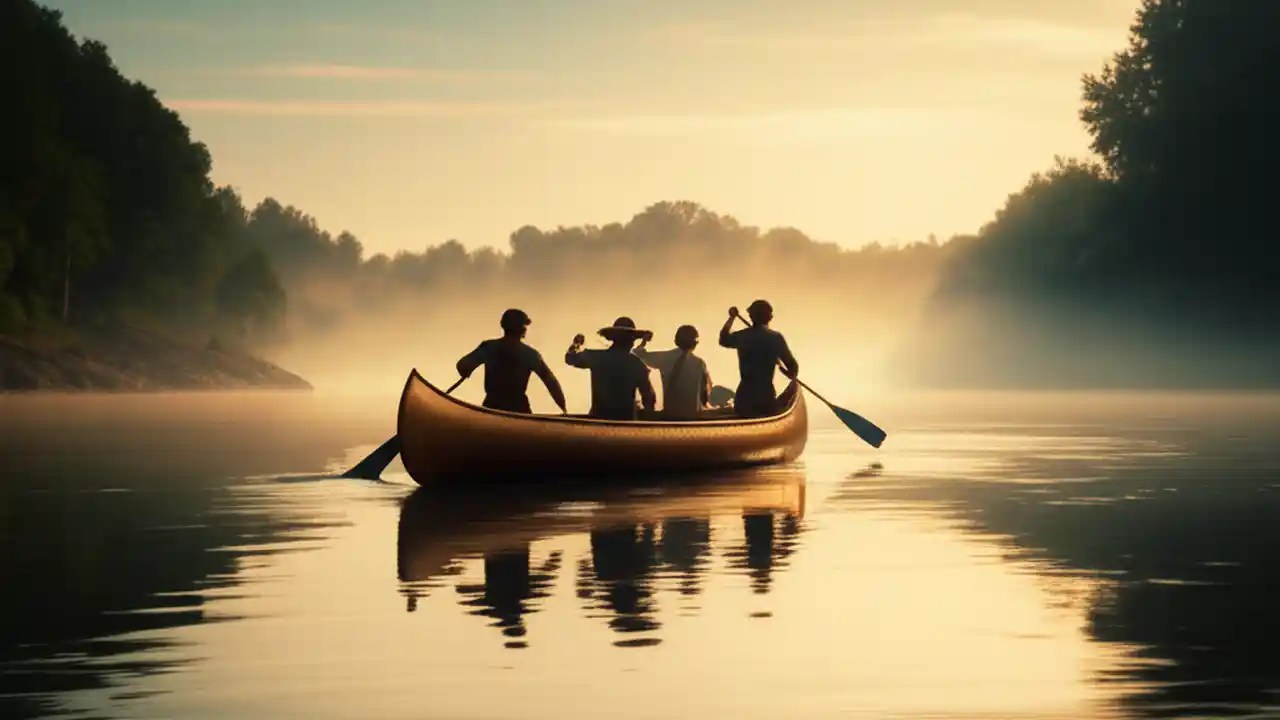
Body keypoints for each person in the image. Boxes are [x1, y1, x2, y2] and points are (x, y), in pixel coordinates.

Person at [456, 308, 568, 414]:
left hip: (491, 408)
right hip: (518, 410)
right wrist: (564, 409)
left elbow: (462, 366)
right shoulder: (529, 354)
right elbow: (551, 382)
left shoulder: (489, 347)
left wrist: (467, 369)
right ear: (522, 329)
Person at [565, 316, 656, 420]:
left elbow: (570, 358)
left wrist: (576, 344)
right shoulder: (636, 364)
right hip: (625, 423)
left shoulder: (596, 357)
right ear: (631, 340)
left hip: (598, 421)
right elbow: (649, 397)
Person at [718, 299, 799, 417]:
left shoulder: (744, 336)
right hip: (766, 399)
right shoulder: (775, 338)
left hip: (744, 400)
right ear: (770, 318)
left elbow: (723, 339)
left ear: (751, 316)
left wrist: (732, 318)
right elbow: (793, 367)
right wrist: (787, 373)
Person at [634, 325, 712, 420]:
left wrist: (644, 341)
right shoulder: (700, 364)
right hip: (692, 417)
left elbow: (639, 355)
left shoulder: (665, 358)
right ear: (695, 343)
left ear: (676, 341)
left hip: (671, 416)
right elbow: (705, 392)